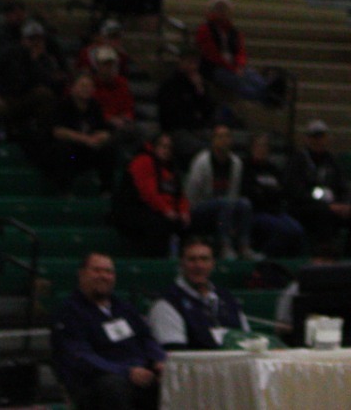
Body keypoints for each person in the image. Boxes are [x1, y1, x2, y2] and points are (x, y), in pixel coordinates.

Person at [51, 252, 165, 410]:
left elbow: (146, 338)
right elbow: (81, 356)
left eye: (108, 272)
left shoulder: (124, 308)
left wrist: (158, 359)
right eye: (97, 270)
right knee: (114, 386)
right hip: (96, 381)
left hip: (138, 374)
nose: (104, 276)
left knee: (168, 380)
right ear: (82, 274)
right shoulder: (69, 313)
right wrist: (126, 372)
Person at [283, 120, 351, 257]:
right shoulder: (298, 160)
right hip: (306, 207)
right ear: (307, 139)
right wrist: (326, 204)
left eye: (321, 137)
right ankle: (324, 255)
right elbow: (295, 191)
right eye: (314, 137)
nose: (318, 141)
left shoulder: (332, 161)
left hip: (331, 205)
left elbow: (344, 186)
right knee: (323, 213)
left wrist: (346, 203)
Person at [147, 238, 244, 351]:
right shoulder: (167, 303)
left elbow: (246, 341)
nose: (199, 265)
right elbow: (176, 355)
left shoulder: (227, 298)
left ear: (213, 264)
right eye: (192, 260)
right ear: (182, 263)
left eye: (204, 259)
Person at [0, 20, 67, 140]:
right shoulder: (10, 54)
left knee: (45, 95)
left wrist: (36, 61)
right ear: (23, 40)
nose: (35, 43)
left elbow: (53, 84)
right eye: (31, 39)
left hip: (29, 100)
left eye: (39, 39)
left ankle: (43, 138)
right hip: (7, 98)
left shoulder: (47, 60)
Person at [184, 125, 254, 260]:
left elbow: (234, 192)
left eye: (227, 136)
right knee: (225, 203)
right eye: (220, 137)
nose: (224, 140)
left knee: (244, 203)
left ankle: (244, 246)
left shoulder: (236, 163)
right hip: (200, 208)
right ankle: (225, 246)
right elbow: (191, 193)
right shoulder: (202, 162)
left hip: (225, 207)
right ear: (213, 140)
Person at [112, 133, 189, 256]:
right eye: (162, 146)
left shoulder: (172, 168)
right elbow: (147, 193)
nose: (166, 150)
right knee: (159, 226)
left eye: (169, 147)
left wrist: (183, 211)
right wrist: (167, 210)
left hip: (162, 212)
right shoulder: (143, 161)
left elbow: (180, 195)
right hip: (134, 210)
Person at [40, 73, 118, 194]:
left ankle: (106, 190)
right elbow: (58, 131)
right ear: (73, 87)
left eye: (89, 86)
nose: (86, 89)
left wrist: (103, 136)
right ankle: (64, 190)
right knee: (64, 151)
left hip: (87, 153)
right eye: (82, 85)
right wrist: (86, 139)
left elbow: (103, 128)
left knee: (107, 150)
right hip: (71, 155)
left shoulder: (94, 106)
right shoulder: (63, 105)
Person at [196, 0, 278, 106]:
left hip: (233, 65)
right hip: (214, 67)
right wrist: (232, 68)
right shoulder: (205, 29)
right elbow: (211, 54)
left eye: (224, 9)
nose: (222, 12)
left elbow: (240, 51)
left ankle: (268, 91)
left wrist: (239, 65)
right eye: (219, 9)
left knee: (251, 74)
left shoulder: (233, 31)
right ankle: (264, 97)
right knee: (235, 80)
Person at [240, 133, 305, 257]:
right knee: (283, 230)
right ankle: (265, 257)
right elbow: (250, 193)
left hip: (275, 212)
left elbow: (282, 192)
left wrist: (265, 192)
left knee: (297, 230)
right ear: (252, 147)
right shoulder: (245, 167)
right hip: (256, 213)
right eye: (259, 145)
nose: (262, 149)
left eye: (265, 146)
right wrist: (269, 192)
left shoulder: (273, 169)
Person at [156, 48, 220, 136]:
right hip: (177, 131)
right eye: (190, 62)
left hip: (199, 128)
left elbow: (209, 110)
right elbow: (169, 113)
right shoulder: (170, 84)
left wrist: (200, 91)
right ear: (181, 62)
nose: (193, 67)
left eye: (196, 63)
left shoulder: (200, 84)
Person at [87, 50, 137, 140]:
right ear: (97, 66)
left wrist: (127, 118)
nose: (109, 68)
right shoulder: (91, 84)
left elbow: (128, 105)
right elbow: (92, 110)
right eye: (105, 64)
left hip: (122, 123)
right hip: (100, 124)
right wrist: (110, 119)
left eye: (112, 64)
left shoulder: (122, 83)